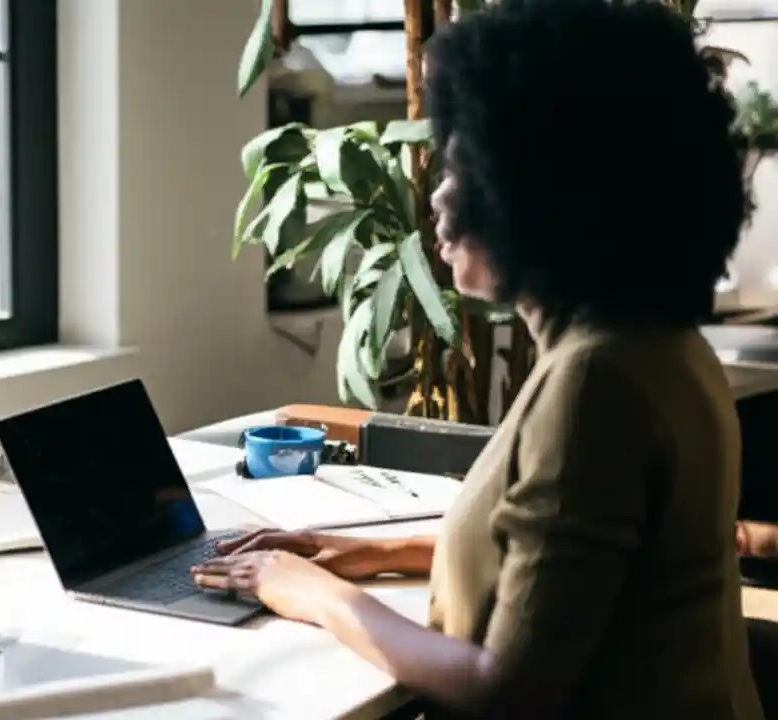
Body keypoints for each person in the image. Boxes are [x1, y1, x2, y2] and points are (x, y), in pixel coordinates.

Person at [192, 1, 764, 717]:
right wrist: (362, 552)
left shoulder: (597, 384)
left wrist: (314, 594)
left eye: (462, 164)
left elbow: (508, 687)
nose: (436, 195)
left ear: (538, 194)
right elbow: (561, 569)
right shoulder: (651, 345)